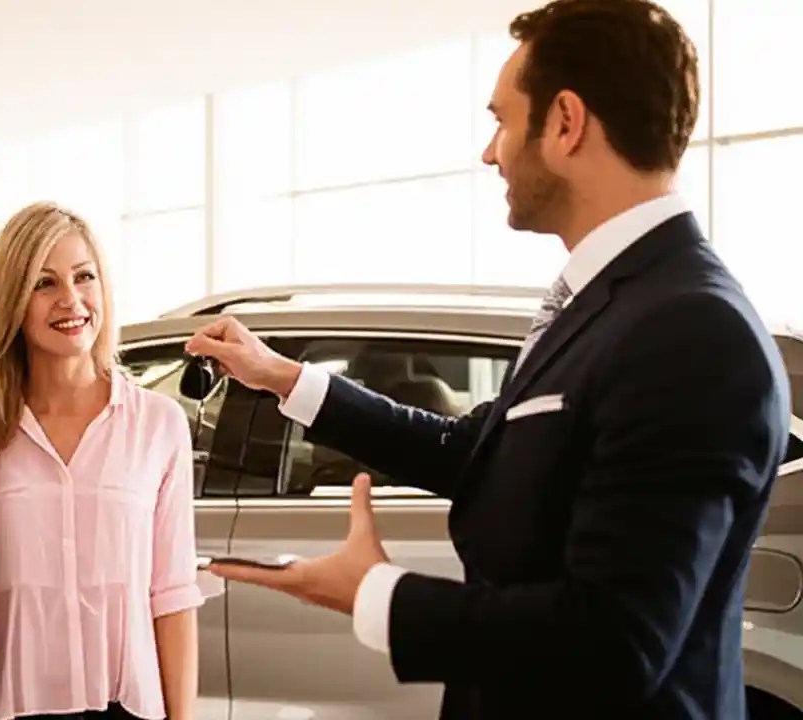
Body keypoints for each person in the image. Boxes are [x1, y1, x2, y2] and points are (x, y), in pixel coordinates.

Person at [187, 1, 792, 718]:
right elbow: (481, 449)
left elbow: (613, 642)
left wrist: (378, 594)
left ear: (565, 123)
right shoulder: (611, 301)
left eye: (502, 120)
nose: (489, 151)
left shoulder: (694, 333)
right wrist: (284, 377)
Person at [0, 202, 204, 720]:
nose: (71, 300)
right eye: (44, 283)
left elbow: (172, 594)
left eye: (84, 277)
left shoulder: (157, 424)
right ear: (14, 299)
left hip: (126, 706)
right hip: (14, 707)